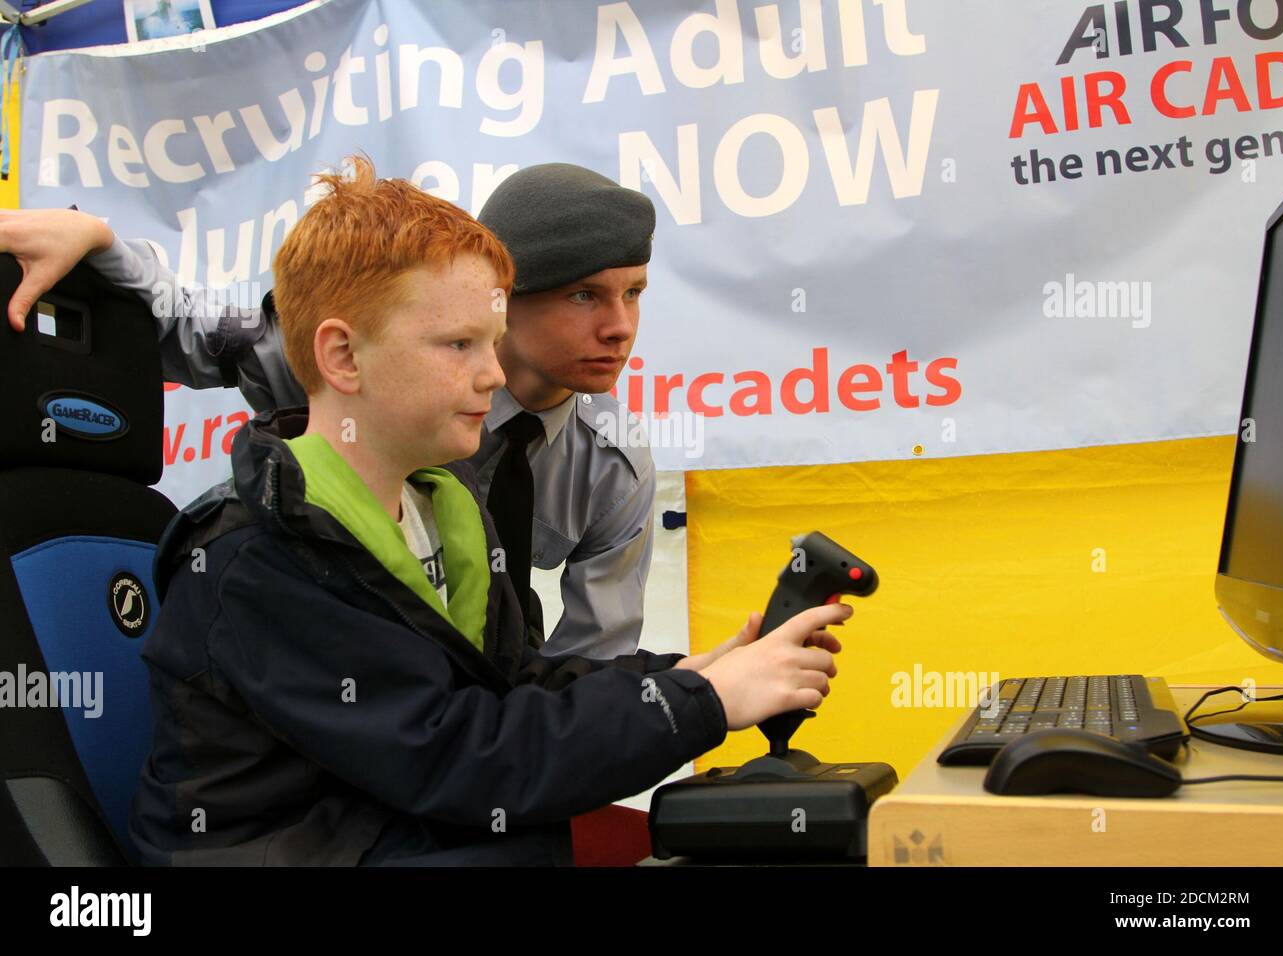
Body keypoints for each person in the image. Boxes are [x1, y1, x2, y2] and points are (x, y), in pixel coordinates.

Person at [109, 154, 848, 865]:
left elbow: (512, 683)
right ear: (342, 359)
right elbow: (455, 751)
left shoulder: (441, 512)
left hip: (393, 820)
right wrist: (702, 703)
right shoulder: (257, 556)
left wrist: (685, 674)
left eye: (490, 343)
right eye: (460, 344)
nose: (494, 374)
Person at [0, 164, 658, 659]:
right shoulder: (363, 371)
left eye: (633, 294)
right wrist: (101, 246)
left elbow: (594, 660)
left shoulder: (613, 467)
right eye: (584, 296)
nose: (620, 326)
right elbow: (190, 333)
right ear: (505, 296)